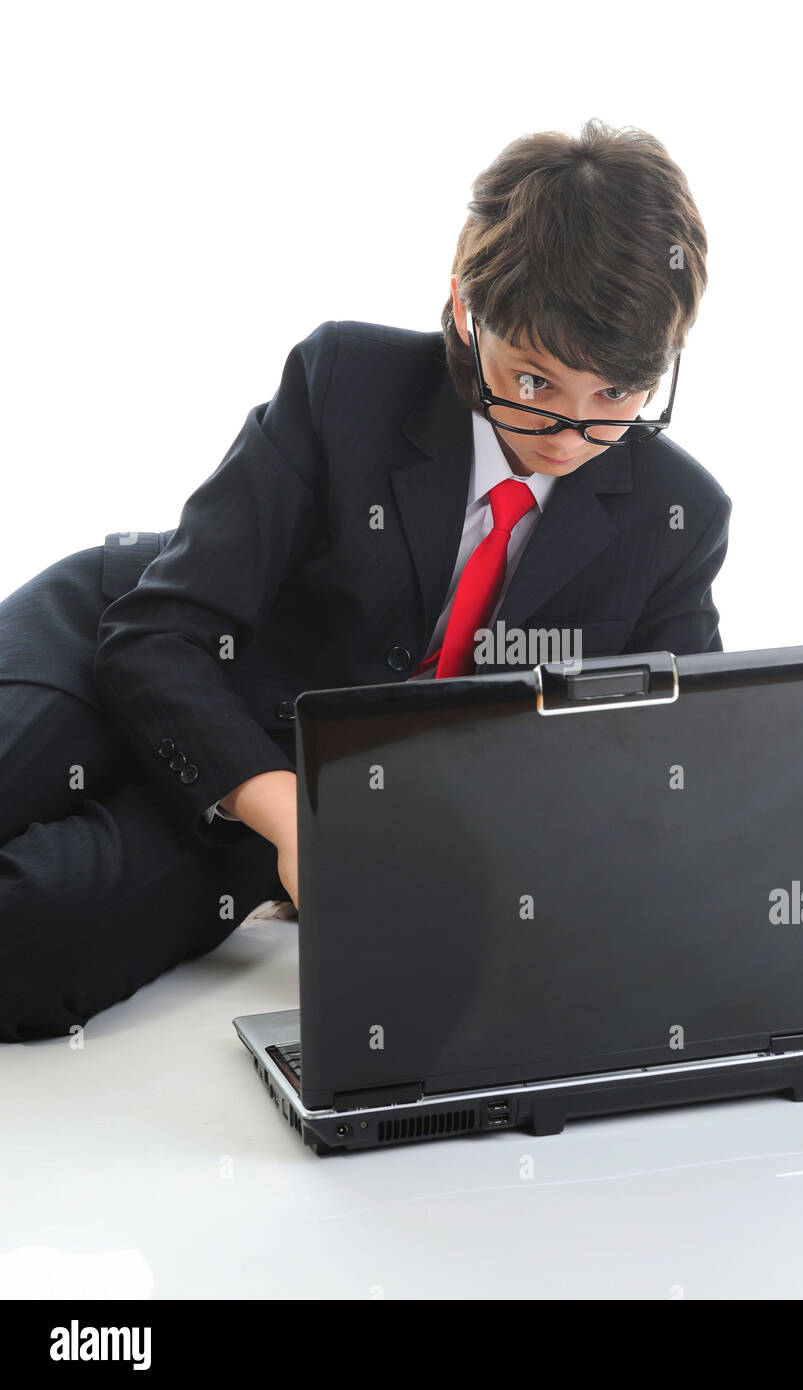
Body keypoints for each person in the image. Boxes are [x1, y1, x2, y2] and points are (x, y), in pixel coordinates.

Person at [0, 118, 731, 1042]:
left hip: (262, 808)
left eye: (617, 398)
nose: (569, 435)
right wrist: (298, 821)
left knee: (28, 942)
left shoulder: (678, 518)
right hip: (128, 646)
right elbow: (157, 635)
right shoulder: (348, 380)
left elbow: (681, 775)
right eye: (535, 382)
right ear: (467, 306)